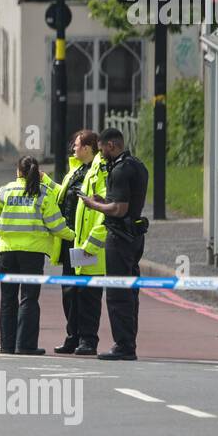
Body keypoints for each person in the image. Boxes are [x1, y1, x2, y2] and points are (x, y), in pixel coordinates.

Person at [0, 156, 74, 355]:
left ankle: (7, 346)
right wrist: (73, 236)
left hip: (7, 252)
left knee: (7, 299)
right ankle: (25, 345)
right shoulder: (44, 193)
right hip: (33, 254)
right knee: (29, 299)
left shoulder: (5, 191)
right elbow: (56, 225)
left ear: (18, 171)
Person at [80, 128, 149, 360]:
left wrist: (94, 204)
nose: (101, 155)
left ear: (111, 145)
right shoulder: (138, 165)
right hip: (135, 236)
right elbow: (125, 201)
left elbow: (119, 209)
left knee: (117, 293)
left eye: (102, 150)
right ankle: (129, 342)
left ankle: (123, 346)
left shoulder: (119, 170)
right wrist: (105, 201)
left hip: (119, 237)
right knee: (131, 291)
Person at [51, 129, 100, 354]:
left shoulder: (98, 172)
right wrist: (47, 183)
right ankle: (73, 336)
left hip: (85, 243)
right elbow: (65, 195)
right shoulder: (76, 170)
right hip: (70, 241)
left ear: (88, 148)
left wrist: (91, 244)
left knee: (87, 293)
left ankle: (88, 340)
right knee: (69, 290)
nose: (73, 148)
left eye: (77, 145)